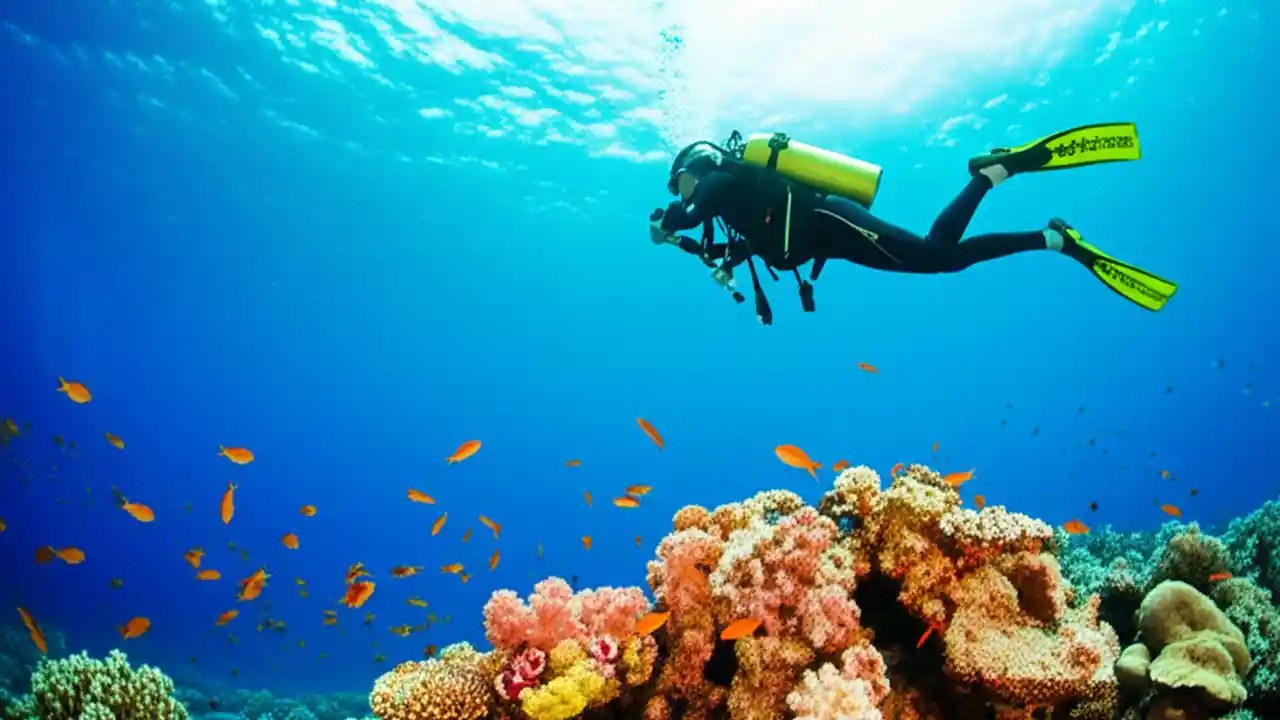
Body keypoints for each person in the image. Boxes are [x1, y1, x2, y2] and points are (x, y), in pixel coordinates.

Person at [649, 126, 1177, 325]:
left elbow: (689, 213)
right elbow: (743, 242)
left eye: (680, 184)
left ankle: (995, 179)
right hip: (825, 238)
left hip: (827, 221)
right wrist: (698, 247)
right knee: (939, 258)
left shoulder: (719, 180)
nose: (681, 193)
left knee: (933, 255)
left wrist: (664, 223)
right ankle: (1049, 235)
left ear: (694, 167)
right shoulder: (730, 202)